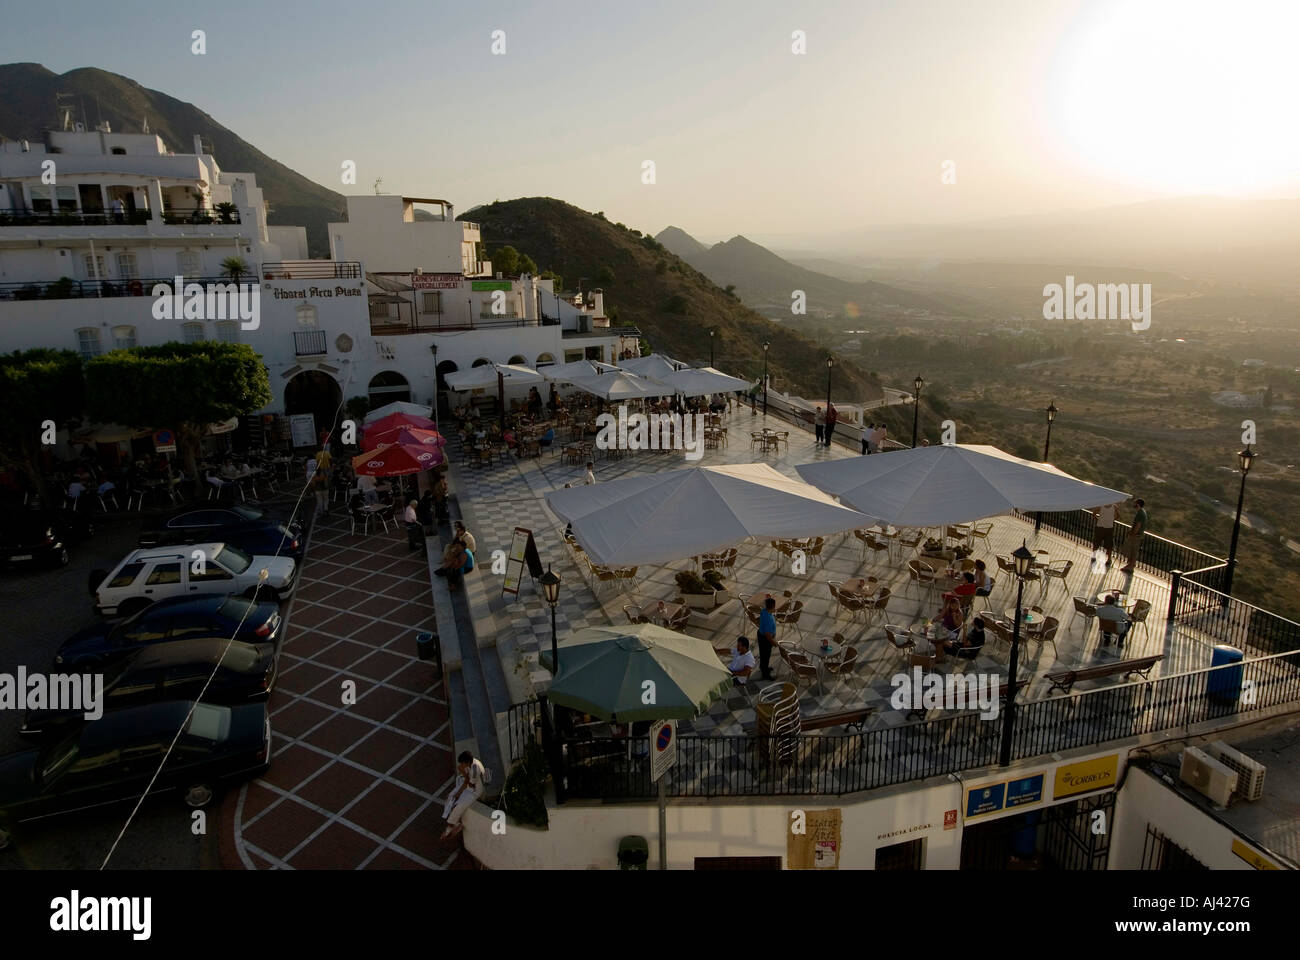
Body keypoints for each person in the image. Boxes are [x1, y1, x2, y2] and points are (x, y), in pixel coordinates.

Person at [440, 750, 488, 840]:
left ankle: (451, 826)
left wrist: (459, 793)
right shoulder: (471, 763)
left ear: (467, 762)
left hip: (475, 791)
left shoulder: (475, 770)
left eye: (463, 763)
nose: (461, 765)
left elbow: (469, 784)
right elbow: (466, 780)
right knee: (450, 797)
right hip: (469, 784)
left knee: (458, 806)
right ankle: (453, 822)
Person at [1122, 498, 1147, 573]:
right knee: (1133, 550)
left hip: (1136, 536)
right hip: (1138, 535)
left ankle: (1131, 566)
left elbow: (1138, 525)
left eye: (1135, 503)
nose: (1133, 504)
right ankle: (1130, 565)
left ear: (1138, 504)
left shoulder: (1140, 514)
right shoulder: (1142, 512)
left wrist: (1132, 533)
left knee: (1133, 550)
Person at [756, 596, 778, 681]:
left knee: (763, 654)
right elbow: (768, 635)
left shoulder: (764, 611)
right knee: (766, 655)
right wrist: (773, 642)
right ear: (772, 607)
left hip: (761, 635)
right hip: (765, 639)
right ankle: (765, 674)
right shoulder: (768, 618)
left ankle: (763, 667)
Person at [1092, 501, 1118, 568]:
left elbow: (1094, 513)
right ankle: (1108, 560)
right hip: (1109, 528)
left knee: (1097, 543)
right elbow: (1118, 516)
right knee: (1108, 545)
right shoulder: (1114, 507)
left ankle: (1094, 557)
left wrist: (1098, 520)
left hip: (1100, 527)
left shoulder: (1101, 505)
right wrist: (1111, 520)